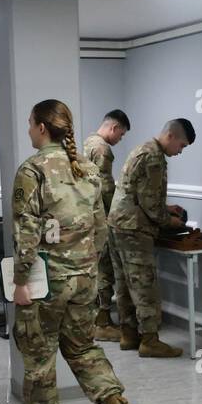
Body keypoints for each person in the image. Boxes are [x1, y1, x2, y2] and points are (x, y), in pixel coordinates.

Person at [9, 98, 144, 404]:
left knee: (39, 354)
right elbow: (101, 227)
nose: (28, 130)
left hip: (46, 282)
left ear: (41, 128)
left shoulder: (32, 169)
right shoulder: (86, 168)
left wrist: (21, 282)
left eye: (30, 124)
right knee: (82, 347)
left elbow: (26, 234)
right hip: (83, 278)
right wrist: (85, 266)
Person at [108, 118, 193, 357]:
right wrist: (171, 222)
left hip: (117, 224)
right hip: (134, 230)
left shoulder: (141, 149)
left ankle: (129, 334)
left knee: (124, 283)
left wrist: (167, 208)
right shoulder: (155, 157)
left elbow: (141, 194)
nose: (180, 152)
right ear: (171, 136)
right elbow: (151, 207)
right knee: (145, 285)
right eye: (182, 146)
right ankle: (150, 340)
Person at [82, 108, 130, 341]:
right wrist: (117, 212)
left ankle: (94, 318)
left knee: (95, 267)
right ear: (114, 127)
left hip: (87, 217)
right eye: (121, 135)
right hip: (100, 218)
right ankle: (102, 320)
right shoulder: (102, 148)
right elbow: (105, 187)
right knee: (105, 269)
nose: (120, 139)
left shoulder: (87, 142)